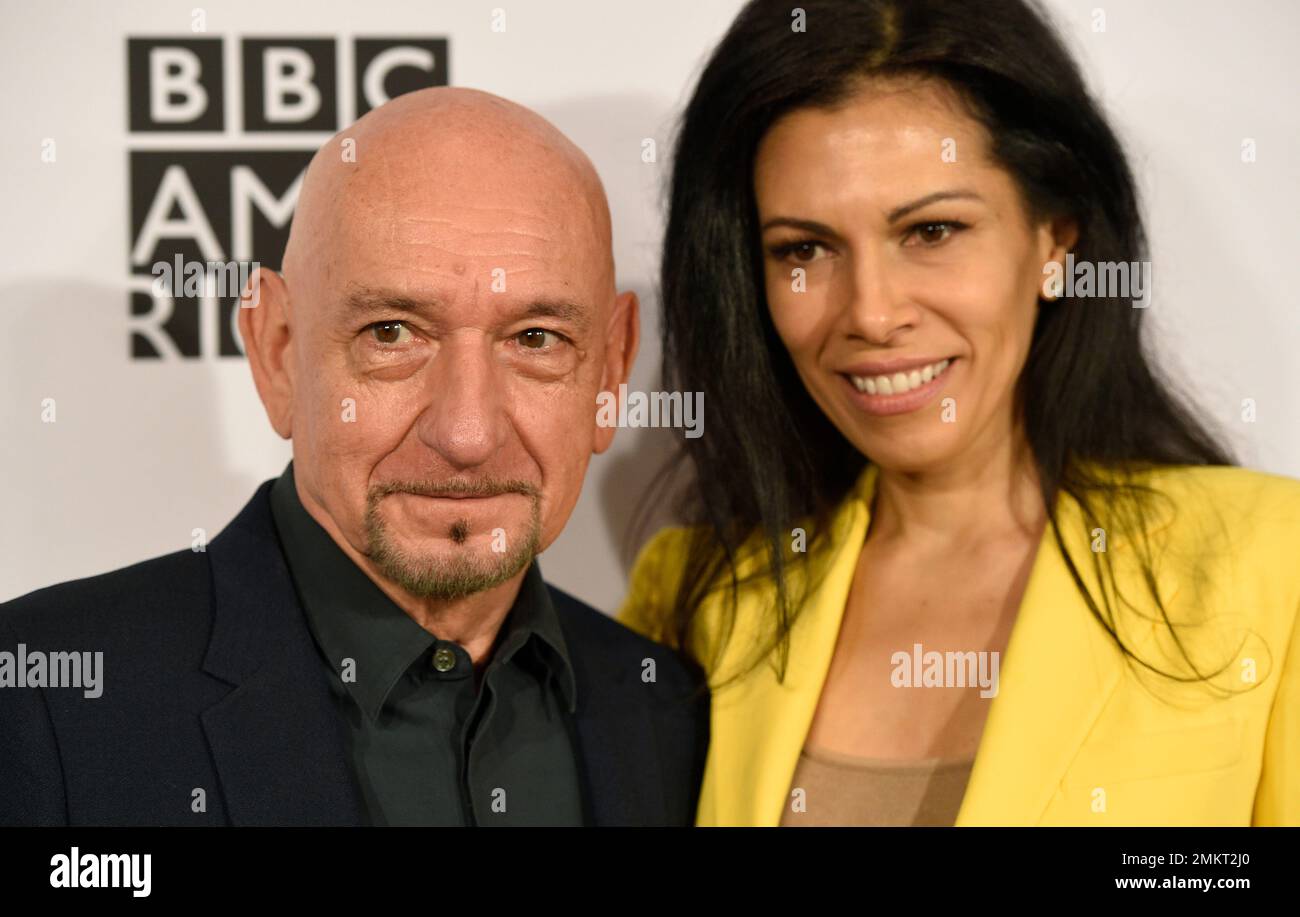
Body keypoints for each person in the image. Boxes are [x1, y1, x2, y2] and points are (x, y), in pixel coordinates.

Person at [619, 0, 1300, 826]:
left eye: (932, 230)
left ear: (1055, 241)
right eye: (804, 249)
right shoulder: (699, 595)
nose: (871, 312)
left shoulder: (1273, 568)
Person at [0, 87, 708, 826]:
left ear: (611, 369)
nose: (467, 434)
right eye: (393, 333)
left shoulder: (668, 713)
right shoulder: (43, 709)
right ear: (278, 351)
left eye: (535, 338)